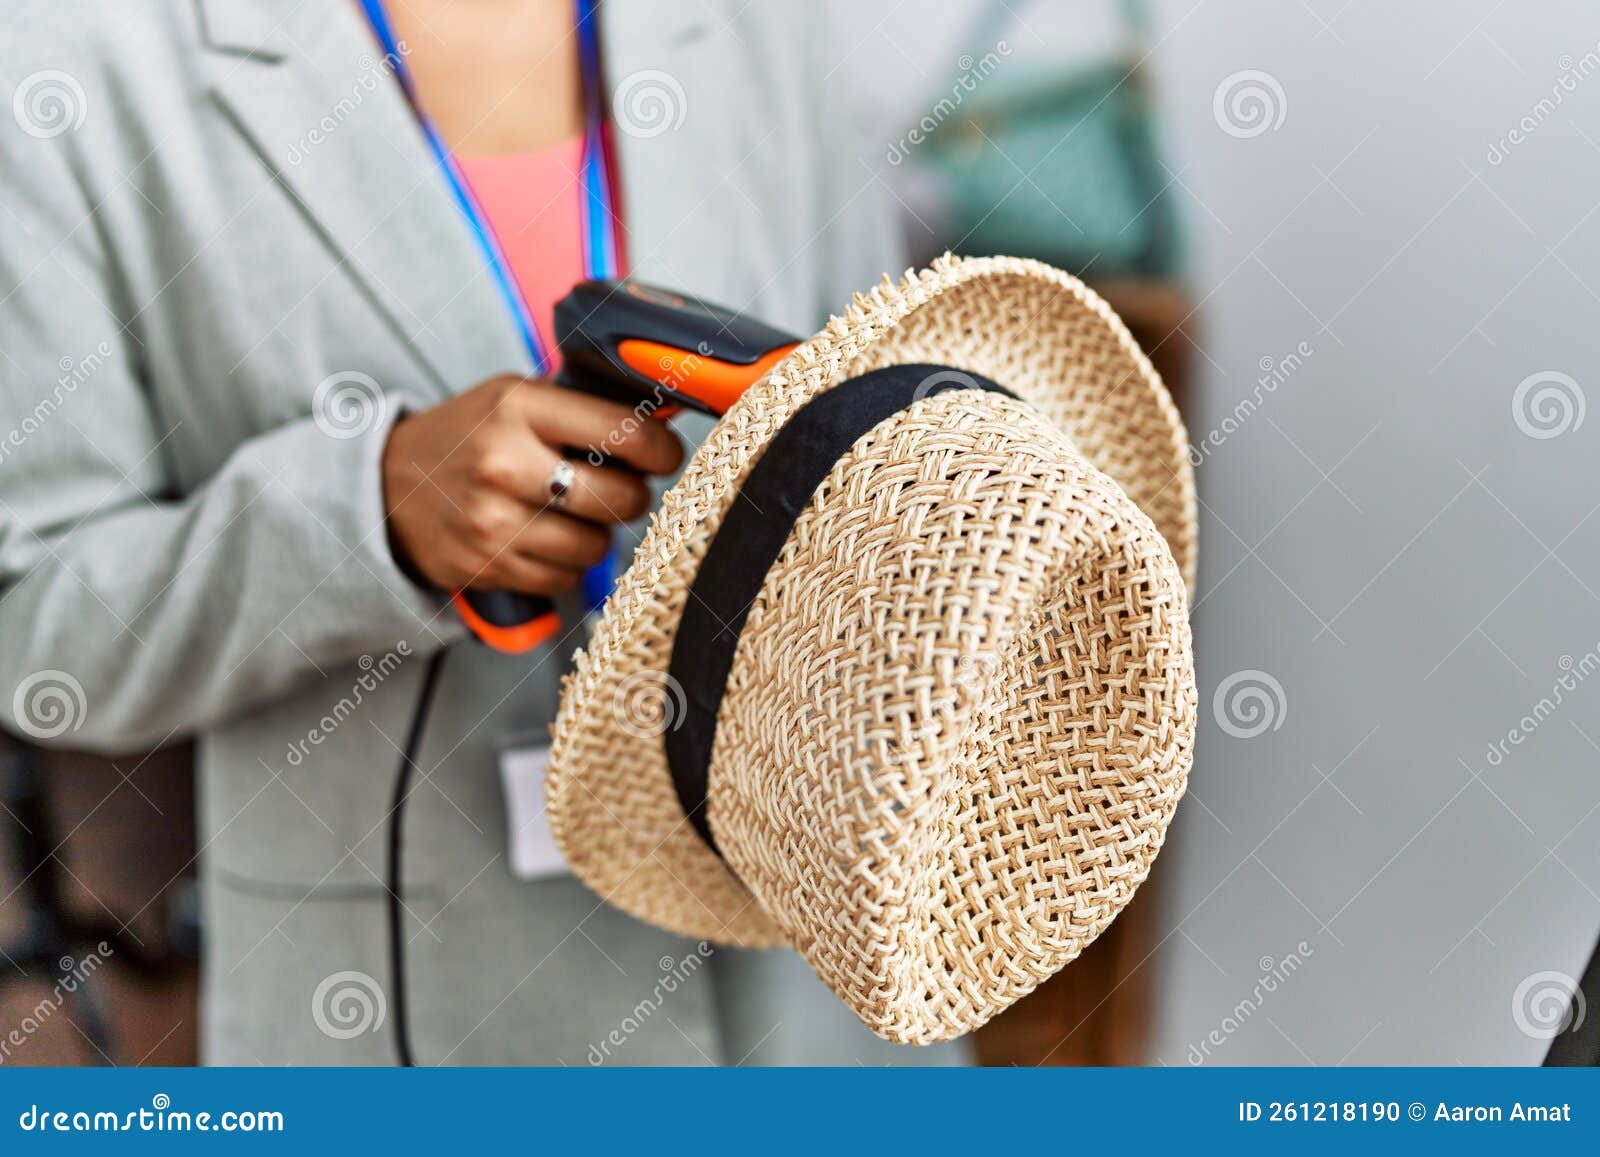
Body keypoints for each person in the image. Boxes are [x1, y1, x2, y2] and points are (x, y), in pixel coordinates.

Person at [0, 0, 964, 1065]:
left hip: (813, 949)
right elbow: (33, 617)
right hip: (413, 995)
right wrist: (365, 514)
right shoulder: (67, 58)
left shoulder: (761, 24)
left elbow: (878, 424)